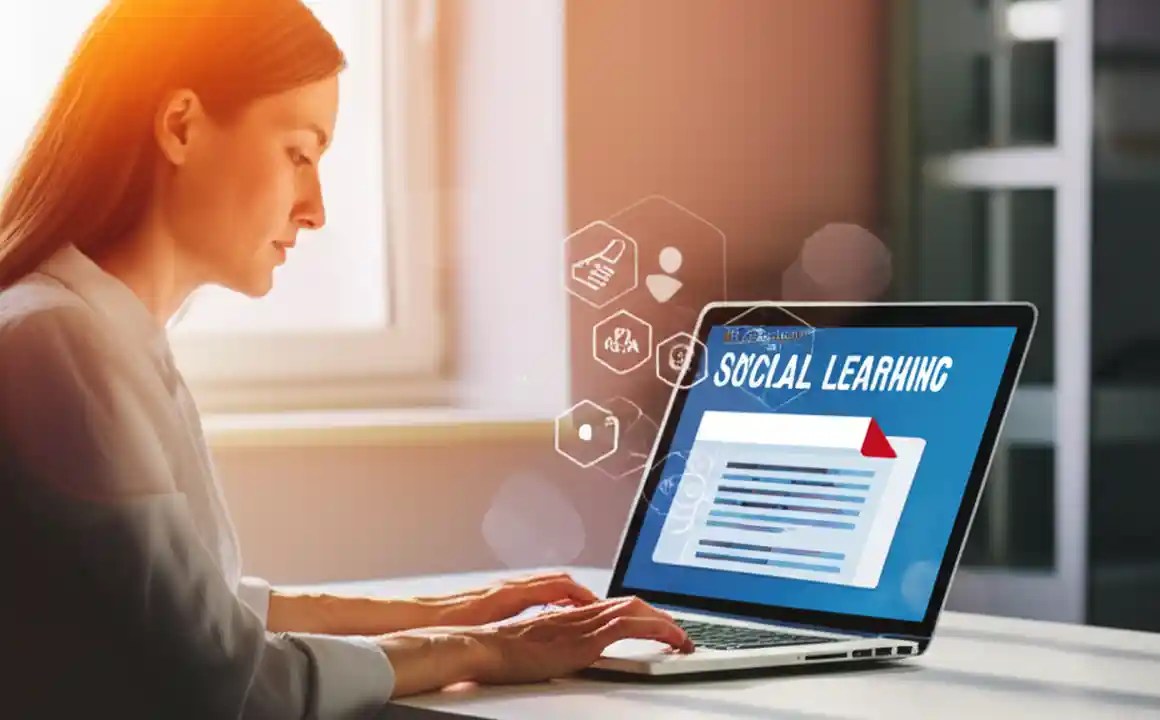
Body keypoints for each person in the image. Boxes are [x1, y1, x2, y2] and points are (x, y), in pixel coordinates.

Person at [0, 1, 691, 717]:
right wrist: (485, 649)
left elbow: (208, 609)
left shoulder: (96, 332)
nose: (316, 209)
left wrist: (455, 610)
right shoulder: (60, 343)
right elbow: (221, 677)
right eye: (298, 154)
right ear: (180, 126)